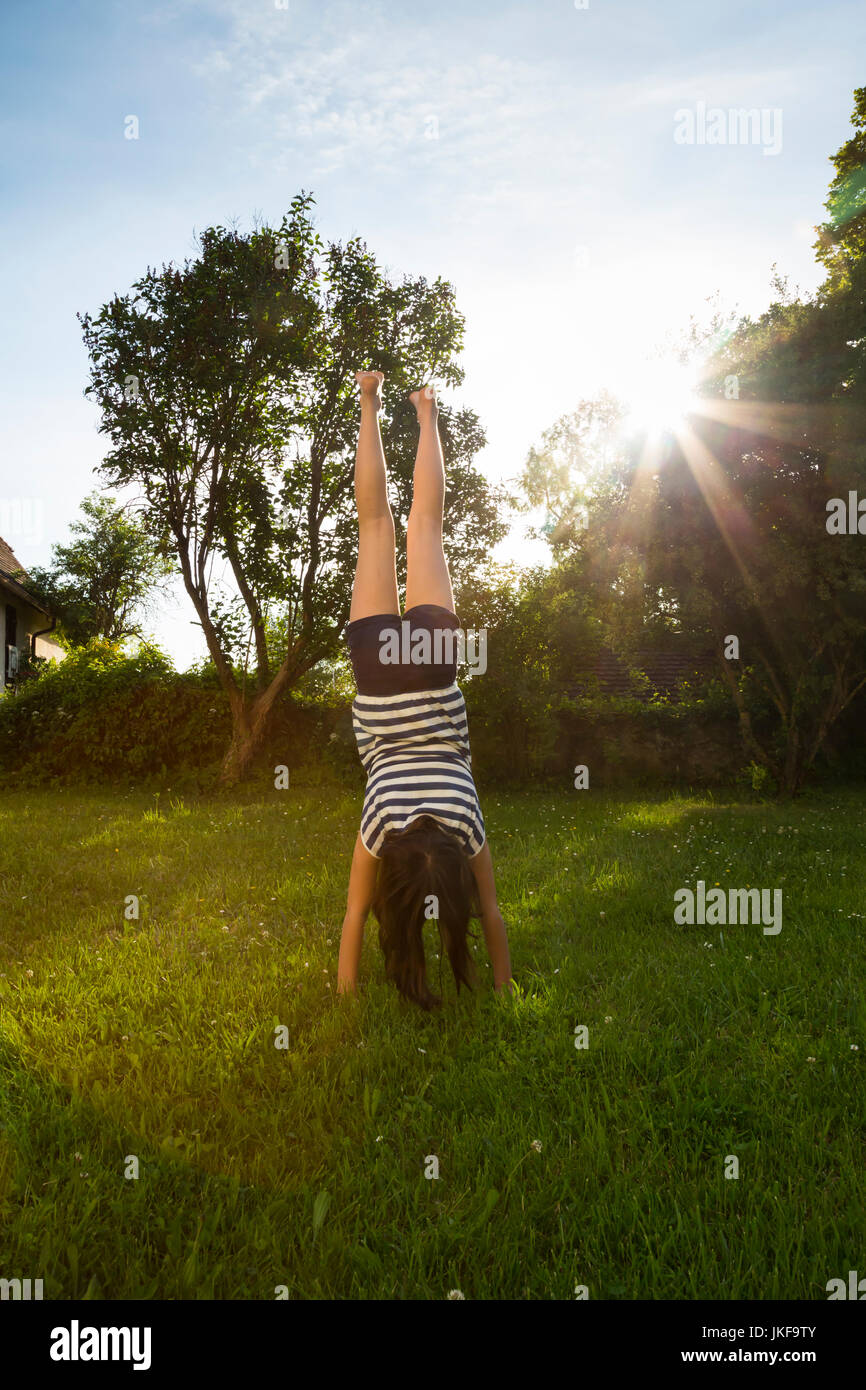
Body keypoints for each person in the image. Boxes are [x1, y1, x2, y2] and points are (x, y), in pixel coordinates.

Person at [337, 369, 512, 1008]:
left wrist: (505, 984)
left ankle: (426, 413)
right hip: (377, 672)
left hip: (435, 665)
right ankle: (369, 400)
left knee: (426, 524)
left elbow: (491, 913)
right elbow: (355, 917)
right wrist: (345, 996)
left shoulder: (464, 821)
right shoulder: (381, 823)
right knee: (375, 525)